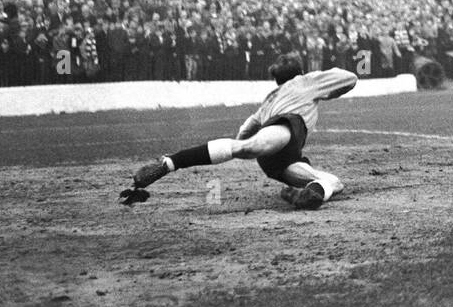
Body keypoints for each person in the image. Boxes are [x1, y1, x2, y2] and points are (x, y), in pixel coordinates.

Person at [119, 52, 356, 211]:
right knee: (244, 148)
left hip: (276, 158)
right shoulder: (306, 81)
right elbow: (350, 78)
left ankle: (311, 194)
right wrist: (327, 89)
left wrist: (239, 146)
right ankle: (171, 162)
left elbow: (246, 127)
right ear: (298, 71)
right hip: (286, 130)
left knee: (332, 182)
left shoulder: (268, 100)